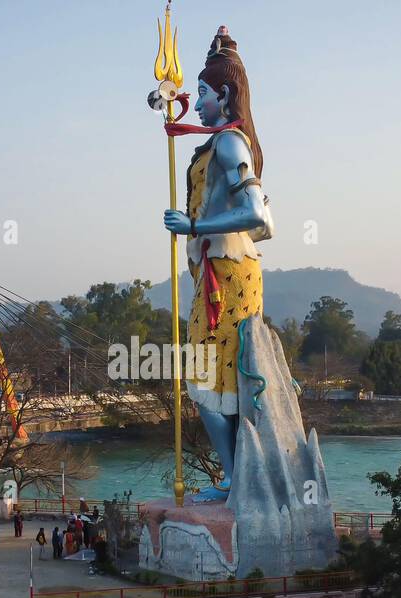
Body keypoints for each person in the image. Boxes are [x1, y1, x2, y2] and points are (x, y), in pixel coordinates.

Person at [162, 28, 272, 502]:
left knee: (206, 377)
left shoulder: (230, 144)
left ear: (224, 95)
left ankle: (235, 477)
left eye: (203, 94)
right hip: (212, 274)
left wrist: (193, 228)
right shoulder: (214, 144)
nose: (198, 103)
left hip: (228, 273)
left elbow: (257, 215)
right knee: (214, 377)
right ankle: (235, 477)